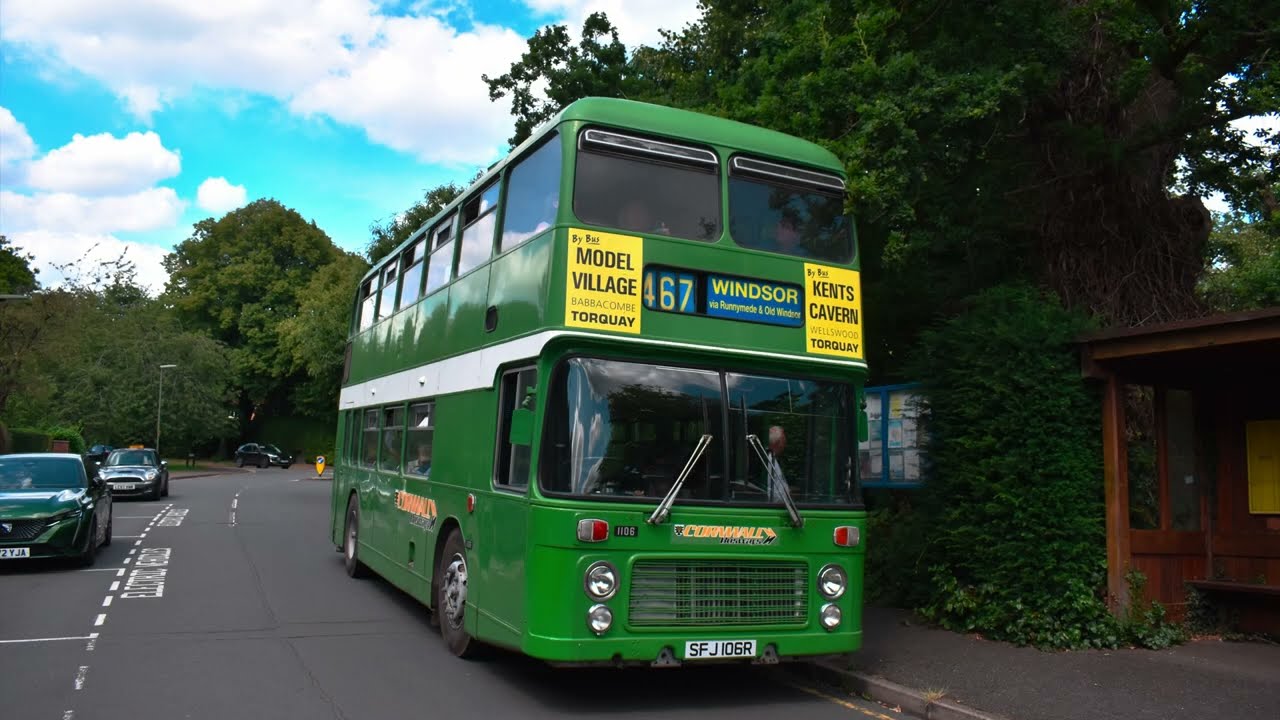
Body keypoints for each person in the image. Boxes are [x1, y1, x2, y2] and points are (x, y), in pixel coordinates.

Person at [765, 425, 789, 502]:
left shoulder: (774, 459)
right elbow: (771, 490)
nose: (785, 444)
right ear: (777, 442)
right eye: (783, 441)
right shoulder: (770, 461)